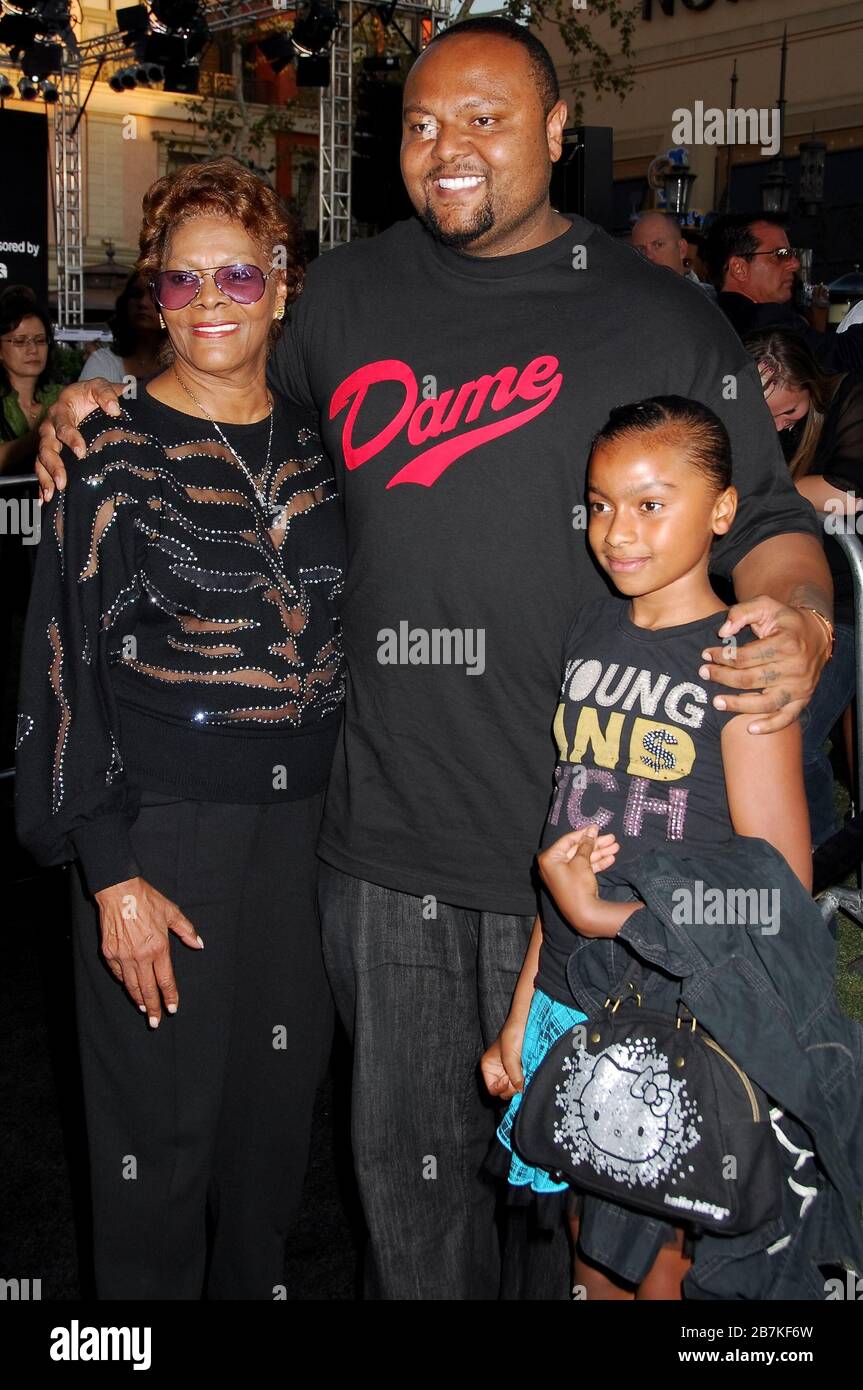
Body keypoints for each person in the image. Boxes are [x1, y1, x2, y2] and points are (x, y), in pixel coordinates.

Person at [36, 18, 833, 1302]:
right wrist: (95, 401)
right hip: (381, 852)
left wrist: (797, 616)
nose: (444, 148)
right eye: (418, 124)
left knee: (581, 1217)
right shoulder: (344, 297)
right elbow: (215, 387)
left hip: (591, 855)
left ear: (559, 134)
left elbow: (778, 523)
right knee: (407, 1211)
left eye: (484, 120)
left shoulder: (663, 313)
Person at [16, 157, 345, 1299]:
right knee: (153, 1159)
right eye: (183, 281)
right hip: (161, 835)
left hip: (306, 842)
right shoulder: (105, 448)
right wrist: (108, 872)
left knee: (269, 1159)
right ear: (154, 297)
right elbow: (60, 671)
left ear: (283, 287)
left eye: (239, 277)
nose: (210, 302)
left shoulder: (323, 444)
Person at [483, 396, 812, 1299]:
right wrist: (525, 1009)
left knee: (660, 1262)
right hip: (579, 992)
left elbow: (776, 890)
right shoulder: (587, 633)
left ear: (720, 511)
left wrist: (609, 913)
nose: (616, 532)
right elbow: (567, 834)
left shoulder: (739, 659)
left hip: (689, 1014)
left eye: (650, 503)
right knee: (593, 1252)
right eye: (599, 504)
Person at [745, 327, 863, 847]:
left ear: (811, 387)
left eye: (788, 411)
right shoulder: (747, 422)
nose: (777, 425)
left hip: (849, 605)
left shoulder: (849, 397)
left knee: (795, 727)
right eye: (766, 413)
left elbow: (849, 495)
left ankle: (815, 863)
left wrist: (763, 494)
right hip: (778, 598)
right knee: (760, 720)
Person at [703, 213, 863, 373]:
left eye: (791, 254)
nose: (794, 264)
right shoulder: (764, 320)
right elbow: (842, 356)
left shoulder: (708, 315)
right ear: (739, 268)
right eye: (780, 254)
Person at [0, 285, 62, 473]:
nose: (33, 349)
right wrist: (38, 437)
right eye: (20, 341)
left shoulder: (62, 396)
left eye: (40, 340)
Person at [78, 270, 165, 387]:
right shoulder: (103, 361)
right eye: (136, 294)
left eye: (154, 295)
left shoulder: (183, 365)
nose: (143, 303)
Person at [630, 211, 715, 298]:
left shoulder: (708, 300)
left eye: (658, 245)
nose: (648, 256)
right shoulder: (629, 297)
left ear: (682, 249)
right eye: (641, 249)